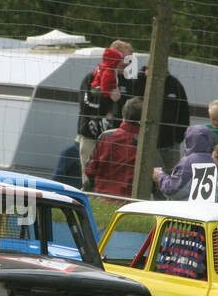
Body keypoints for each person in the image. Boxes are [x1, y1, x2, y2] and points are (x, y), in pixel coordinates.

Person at [122, 59, 191, 170]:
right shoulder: (138, 81)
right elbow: (129, 107)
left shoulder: (175, 85)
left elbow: (184, 113)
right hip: (143, 144)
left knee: (171, 178)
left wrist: (177, 138)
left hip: (170, 145)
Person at [76, 41, 129, 185]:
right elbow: (85, 107)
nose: (127, 64)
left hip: (116, 138)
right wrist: (107, 101)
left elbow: (130, 110)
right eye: (125, 59)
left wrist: (118, 101)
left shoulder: (126, 81)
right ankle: (89, 196)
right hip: (90, 135)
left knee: (112, 176)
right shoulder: (91, 78)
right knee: (88, 174)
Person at [84, 96, 142, 198]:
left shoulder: (106, 136)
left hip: (101, 196)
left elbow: (89, 169)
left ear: (123, 114)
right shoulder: (143, 143)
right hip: (129, 200)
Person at [154, 125, 215, 200]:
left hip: (185, 208)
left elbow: (173, 190)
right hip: (204, 208)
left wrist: (160, 176)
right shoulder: (212, 161)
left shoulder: (188, 162)